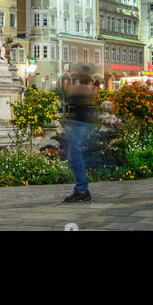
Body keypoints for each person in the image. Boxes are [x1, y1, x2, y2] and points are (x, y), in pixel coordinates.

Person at [61, 64, 97, 204]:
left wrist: (69, 78)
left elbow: (69, 90)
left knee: (75, 157)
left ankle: (82, 190)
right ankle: (81, 188)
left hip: (78, 125)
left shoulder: (82, 89)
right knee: (75, 157)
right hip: (79, 124)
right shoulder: (89, 89)